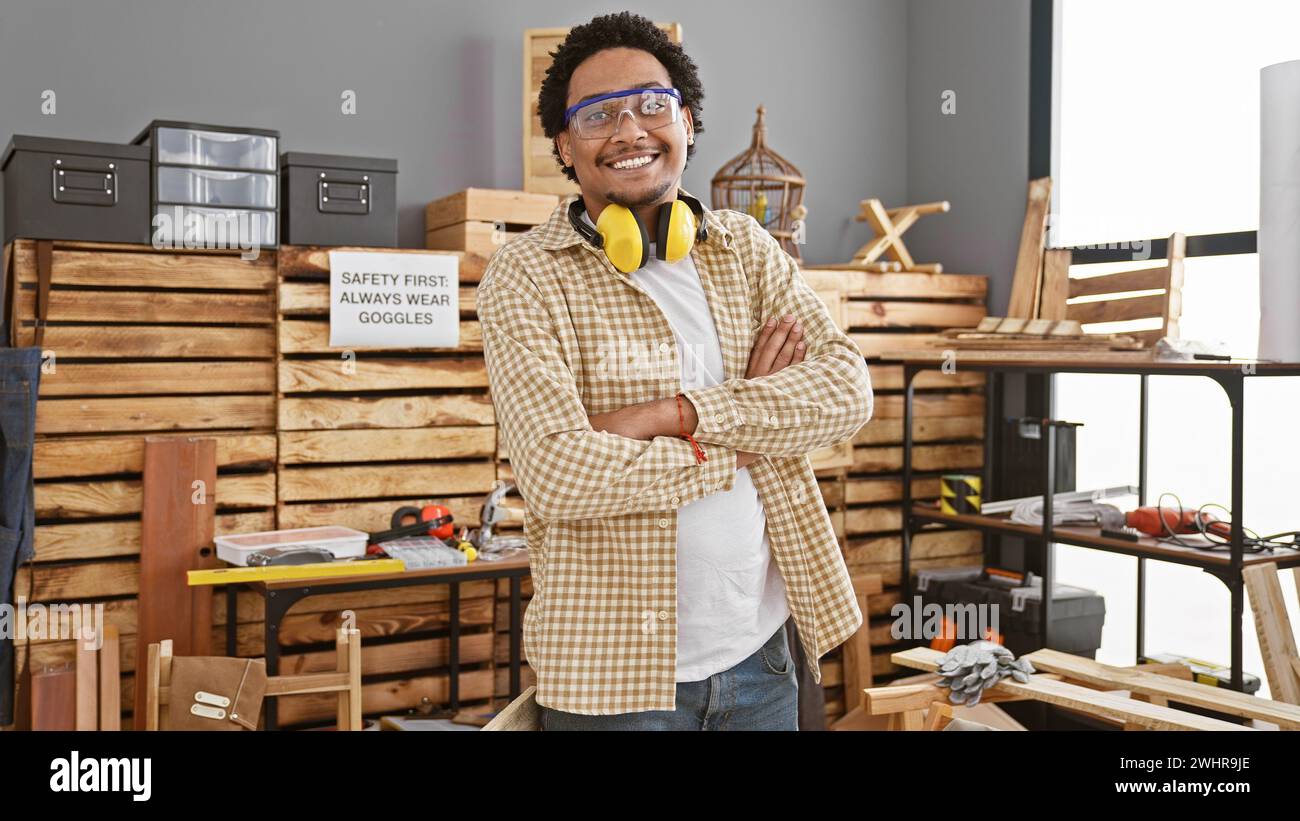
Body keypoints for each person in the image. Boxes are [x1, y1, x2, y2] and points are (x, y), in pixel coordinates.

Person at [477, 12, 872, 730]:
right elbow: (556, 472)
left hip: (761, 659)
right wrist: (751, 427)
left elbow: (848, 389)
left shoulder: (744, 249)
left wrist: (675, 415)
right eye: (598, 114)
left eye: (652, 105)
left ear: (686, 122)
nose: (630, 130)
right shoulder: (526, 277)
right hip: (611, 679)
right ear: (565, 145)